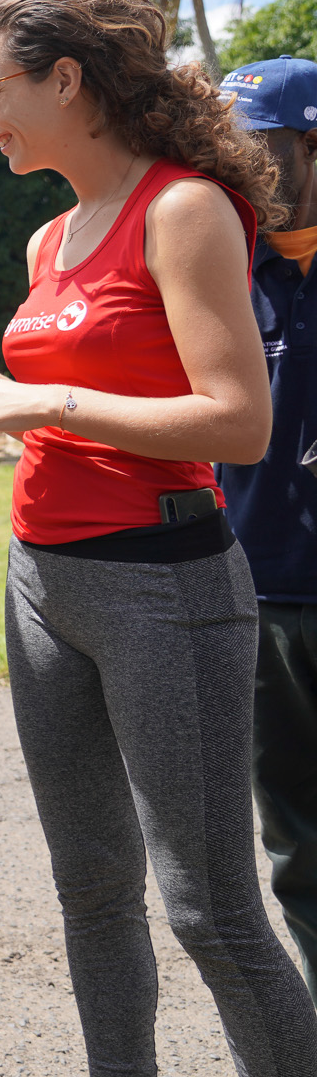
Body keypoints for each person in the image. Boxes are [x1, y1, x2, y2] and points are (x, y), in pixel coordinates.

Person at [0, 0, 317, 1077]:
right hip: (41, 580)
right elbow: (49, 402)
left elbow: (236, 420)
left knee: (209, 906)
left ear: (65, 80)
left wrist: (44, 398)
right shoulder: (45, 238)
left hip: (161, 582)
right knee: (90, 894)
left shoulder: (183, 208)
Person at [218, 55, 317, 999]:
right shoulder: (218, 265)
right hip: (256, 594)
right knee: (295, 844)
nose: (235, 166)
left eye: (256, 146)